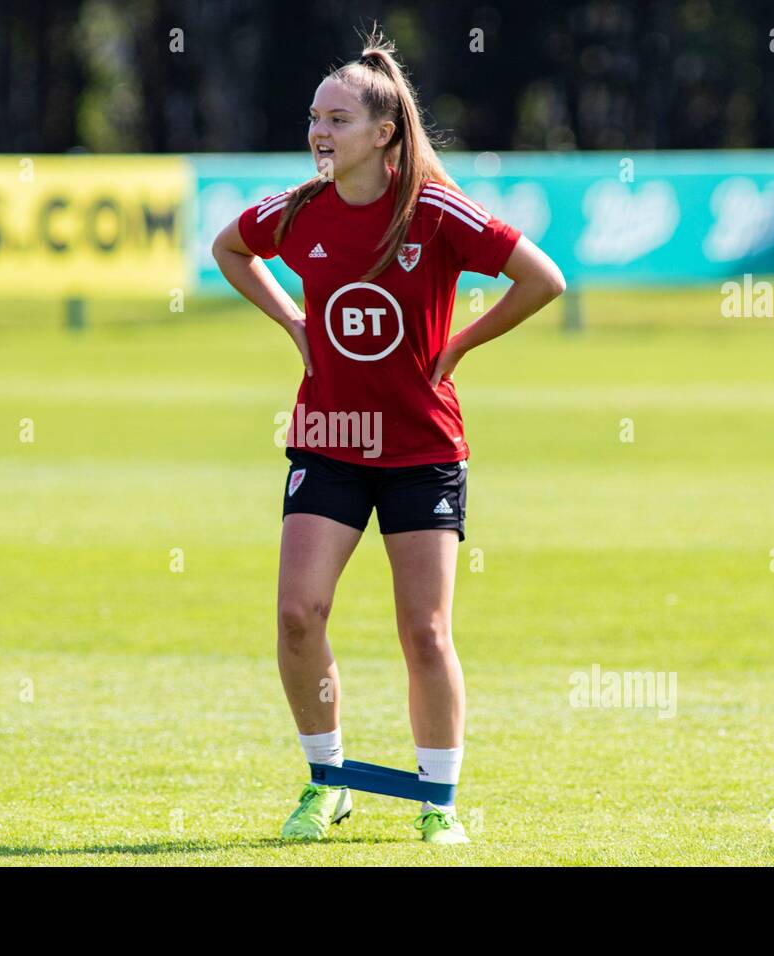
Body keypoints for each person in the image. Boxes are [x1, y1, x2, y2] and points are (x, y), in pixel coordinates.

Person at [211, 30, 565, 844]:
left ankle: (438, 803)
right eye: (313, 118)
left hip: (421, 452)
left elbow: (543, 279)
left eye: (337, 119)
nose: (319, 133)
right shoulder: (300, 211)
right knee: (299, 614)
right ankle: (327, 781)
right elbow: (230, 247)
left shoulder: (433, 210)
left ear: (385, 133)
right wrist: (294, 322)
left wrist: (463, 343)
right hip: (329, 437)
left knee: (425, 631)